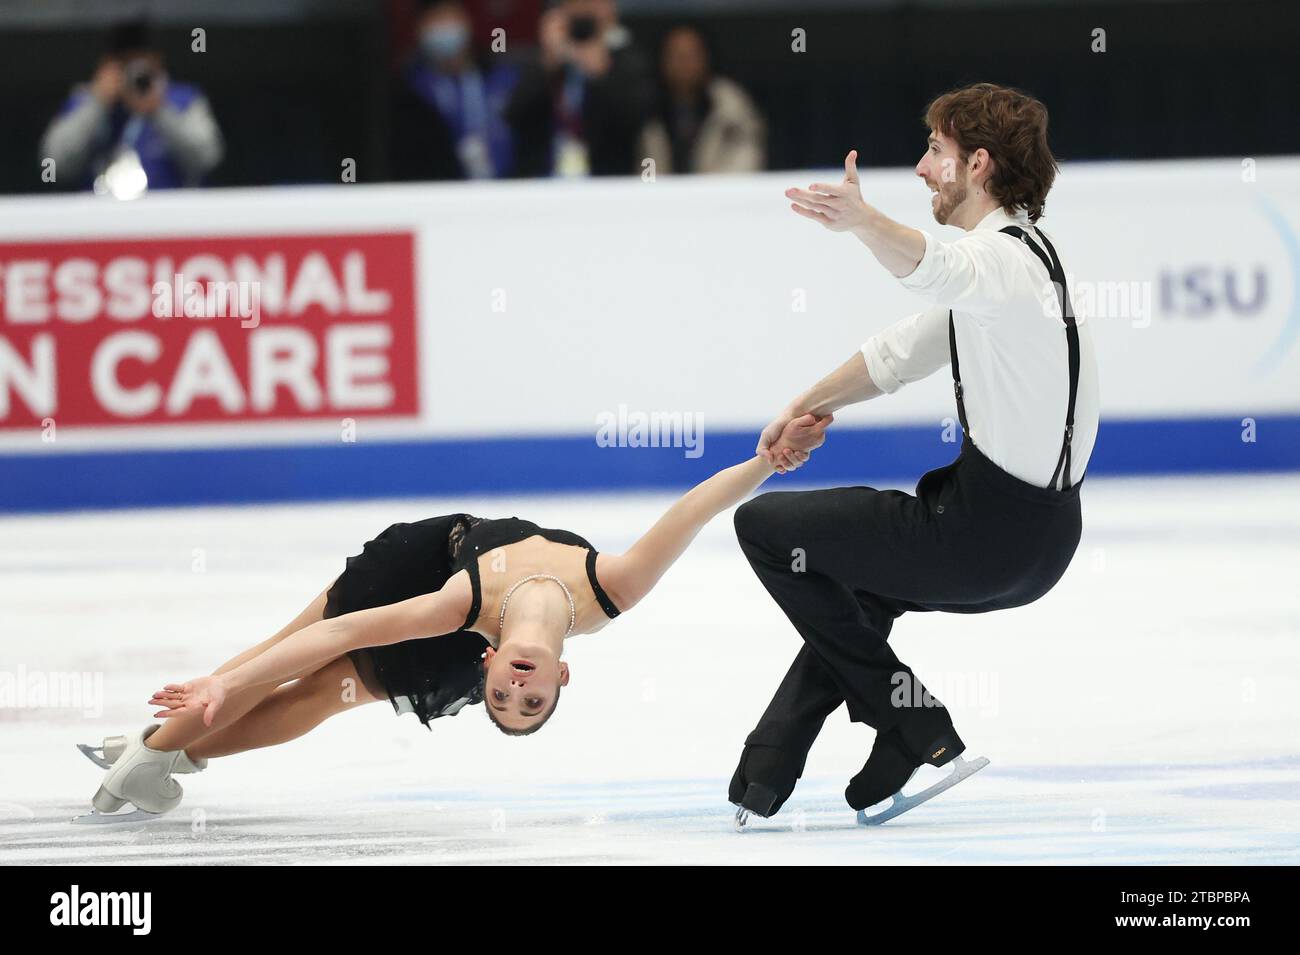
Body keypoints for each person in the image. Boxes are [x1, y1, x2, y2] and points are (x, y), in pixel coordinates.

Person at [80, 413, 831, 819]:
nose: (517, 689)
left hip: (435, 620)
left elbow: (342, 636)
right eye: (533, 699)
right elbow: (697, 508)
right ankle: (157, 752)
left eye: (506, 699)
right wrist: (772, 457)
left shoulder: (460, 609)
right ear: (562, 674)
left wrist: (222, 683)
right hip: (420, 552)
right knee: (296, 655)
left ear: (489, 667)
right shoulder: (613, 589)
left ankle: (155, 754)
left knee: (318, 691)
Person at [728, 83, 1100, 823]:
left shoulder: (998, 262)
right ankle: (781, 759)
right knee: (859, 588)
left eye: (937, 152)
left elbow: (939, 268)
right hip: (1044, 541)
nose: (925, 168)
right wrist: (806, 408)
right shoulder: (1025, 264)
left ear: (979, 165)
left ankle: (917, 724)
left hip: (982, 536)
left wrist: (863, 222)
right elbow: (901, 352)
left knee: (767, 530)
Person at [40, 18, 223, 193]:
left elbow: (207, 158)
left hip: (167, 214)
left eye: (138, 63)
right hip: (99, 215)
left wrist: (159, 110)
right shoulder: (84, 100)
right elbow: (54, 163)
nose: (131, 73)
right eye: (123, 64)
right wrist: (97, 105)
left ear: (156, 62)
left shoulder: (184, 99)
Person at [507, 0, 653, 177]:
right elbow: (514, 116)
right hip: (543, 180)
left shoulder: (628, 60)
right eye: (577, 4)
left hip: (607, 181)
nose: (584, 13)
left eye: (592, 5)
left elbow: (637, 122)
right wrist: (549, 62)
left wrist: (601, 73)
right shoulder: (543, 59)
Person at [388, 0, 524, 181]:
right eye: (437, 20)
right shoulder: (410, 91)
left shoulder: (504, 78)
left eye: (450, 18)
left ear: (466, 22)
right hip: (438, 193)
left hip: (512, 189)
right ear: (420, 29)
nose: (445, 28)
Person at [639, 25, 765, 175]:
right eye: (676, 56)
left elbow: (748, 159)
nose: (684, 64)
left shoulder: (731, 105)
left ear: (706, 58)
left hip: (721, 194)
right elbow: (645, 174)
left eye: (691, 55)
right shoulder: (647, 110)